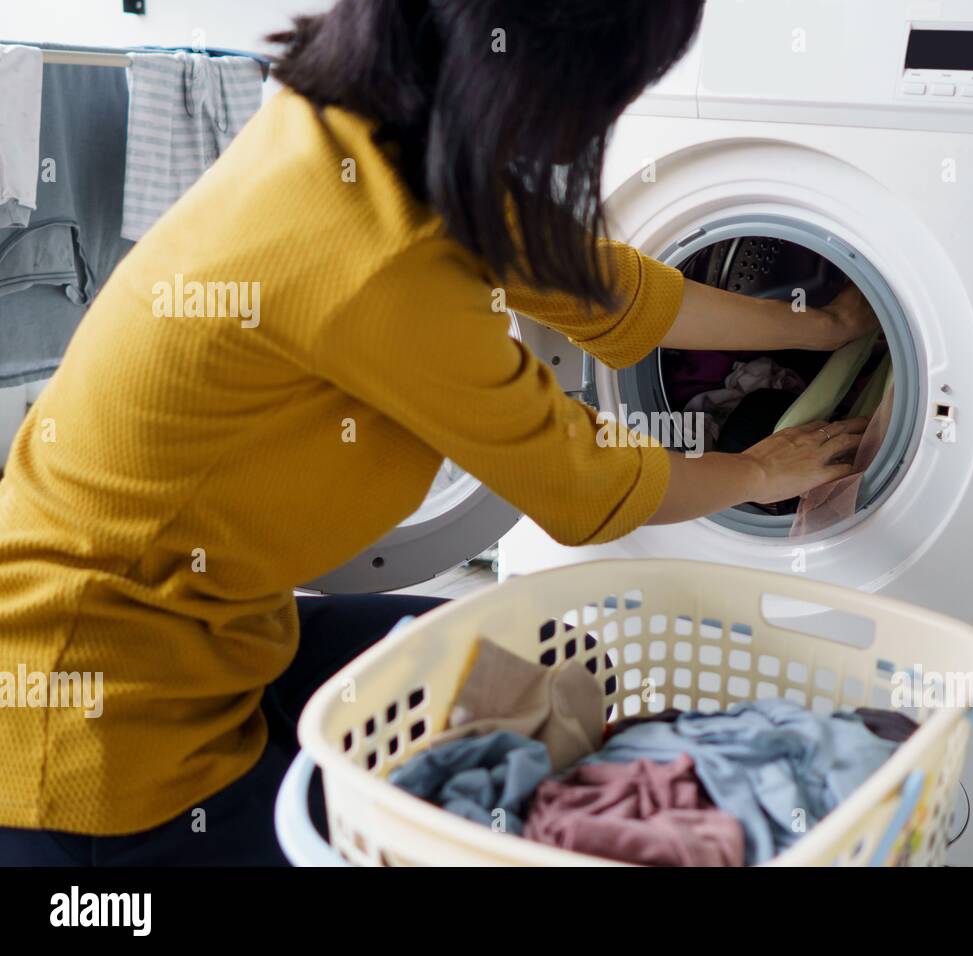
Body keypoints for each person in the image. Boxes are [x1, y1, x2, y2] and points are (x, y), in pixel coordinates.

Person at [0, 0, 876, 865]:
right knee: (435, 818)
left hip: (215, 627)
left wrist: (816, 325)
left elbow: (602, 288)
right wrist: (757, 472)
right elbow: (589, 487)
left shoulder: (347, 133)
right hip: (99, 728)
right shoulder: (381, 258)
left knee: (561, 666)